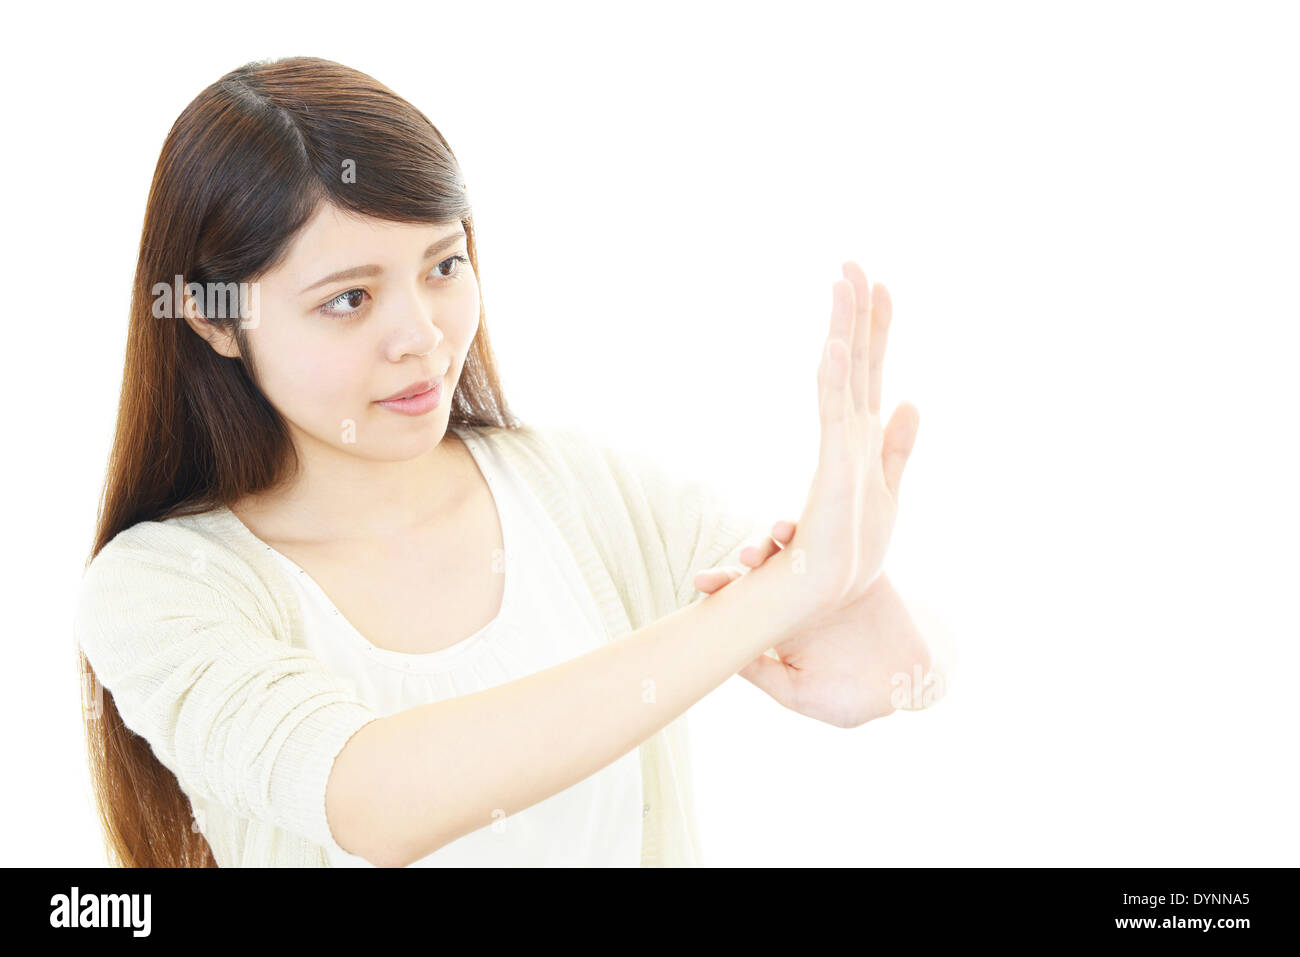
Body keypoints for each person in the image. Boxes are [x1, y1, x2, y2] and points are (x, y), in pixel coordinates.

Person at [74, 56, 930, 868]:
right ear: (214, 319)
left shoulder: (580, 490)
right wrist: (784, 590)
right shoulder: (159, 588)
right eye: (348, 297)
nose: (424, 336)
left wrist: (857, 578)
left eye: (444, 264)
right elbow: (375, 801)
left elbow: (896, 672)